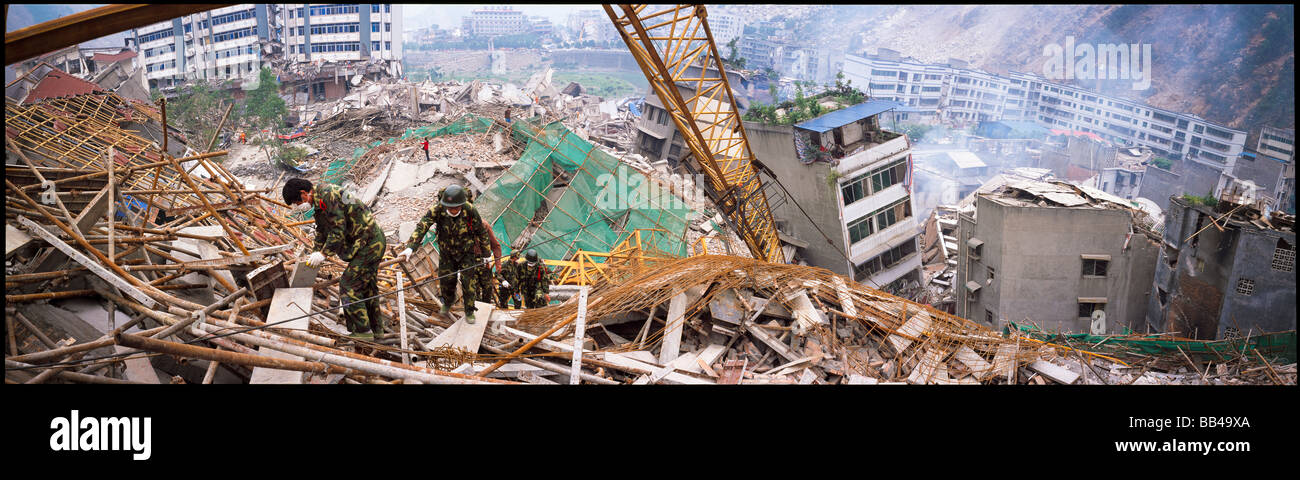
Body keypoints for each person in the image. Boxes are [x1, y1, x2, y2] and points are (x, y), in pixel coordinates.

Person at [282, 178, 386, 336]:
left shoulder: (328, 195)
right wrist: (314, 253)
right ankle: (377, 332)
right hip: (365, 243)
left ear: (303, 194)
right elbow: (322, 232)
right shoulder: (321, 203)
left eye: (297, 203)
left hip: (370, 243)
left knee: (348, 284)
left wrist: (323, 254)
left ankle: (362, 333)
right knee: (367, 287)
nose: (298, 207)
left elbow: (338, 229)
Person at [398, 184, 501, 324]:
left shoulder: (470, 210)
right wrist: (411, 247)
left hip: (466, 253)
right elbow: (423, 225)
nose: (452, 210)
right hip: (447, 253)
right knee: (446, 281)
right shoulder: (438, 209)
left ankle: (469, 311)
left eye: (455, 207)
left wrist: (486, 254)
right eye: (449, 207)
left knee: (468, 283)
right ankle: (447, 303)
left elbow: (481, 232)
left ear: (461, 204)